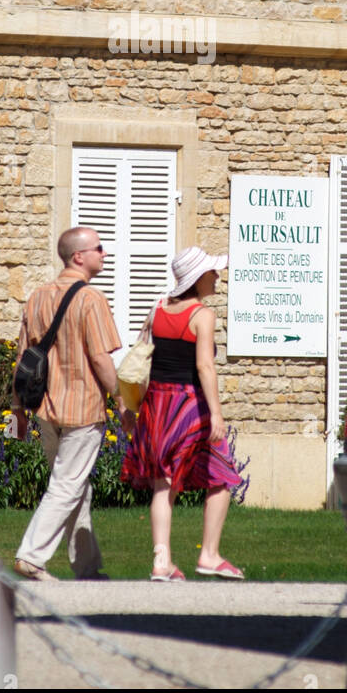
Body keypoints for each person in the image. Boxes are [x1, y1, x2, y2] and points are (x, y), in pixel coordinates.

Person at [121, 245, 244, 581]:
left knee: (164, 484)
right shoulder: (202, 315)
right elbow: (204, 365)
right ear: (197, 278)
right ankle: (209, 555)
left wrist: (125, 404)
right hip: (190, 405)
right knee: (221, 475)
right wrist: (216, 414)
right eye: (212, 272)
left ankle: (162, 562)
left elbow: (138, 358)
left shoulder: (156, 309)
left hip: (157, 406)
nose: (217, 276)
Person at [9, 226, 124, 582]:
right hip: (83, 407)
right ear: (79, 256)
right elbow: (102, 359)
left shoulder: (37, 297)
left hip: (44, 408)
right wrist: (121, 401)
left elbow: (22, 359)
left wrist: (17, 412)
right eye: (99, 249)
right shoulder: (92, 299)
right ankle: (30, 557)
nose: (105, 254)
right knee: (67, 484)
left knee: (77, 486)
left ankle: (87, 568)